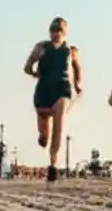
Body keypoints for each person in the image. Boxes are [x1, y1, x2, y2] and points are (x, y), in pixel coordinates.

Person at [24, 16, 83, 183]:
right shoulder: (41, 47)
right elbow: (28, 66)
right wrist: (34, 72)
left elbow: (77, 68)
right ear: (49, 31)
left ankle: (53, 164)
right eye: (54, 30)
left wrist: (77, 84)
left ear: (65, 33)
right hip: (43, 91)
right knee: (45, 135)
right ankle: (43, 135)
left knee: (59, 126)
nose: (56, 33)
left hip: (62, 89)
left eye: (60, 30)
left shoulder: (71, 51)